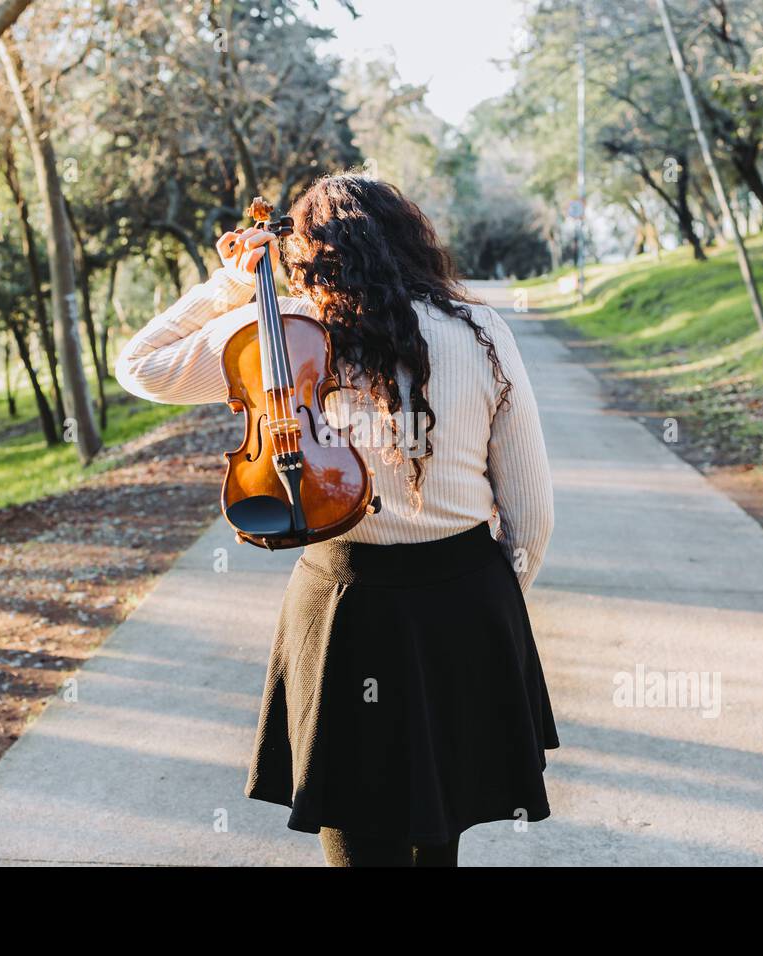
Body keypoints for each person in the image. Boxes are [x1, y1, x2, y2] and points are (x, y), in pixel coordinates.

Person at [116, 174, 557, 867]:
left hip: (342, 608)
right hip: (466, 601)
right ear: (410, 241)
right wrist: (490, 607)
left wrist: (229, 286)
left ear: (308, 255)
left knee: (354, 828)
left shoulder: (281, 337)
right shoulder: (483, 331)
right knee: (439, 836)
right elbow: (531, 517)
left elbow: (138, 366)